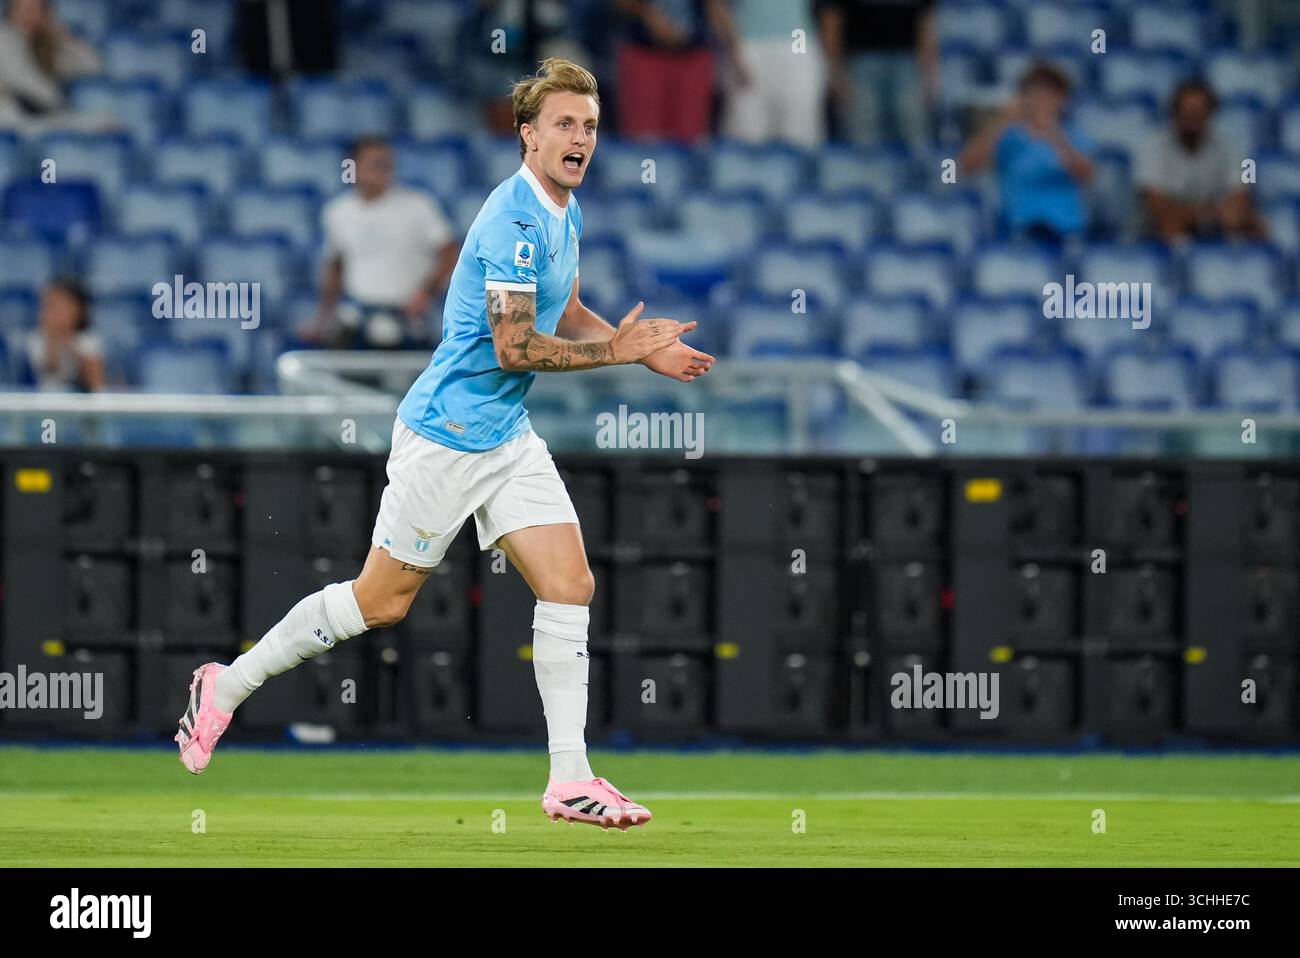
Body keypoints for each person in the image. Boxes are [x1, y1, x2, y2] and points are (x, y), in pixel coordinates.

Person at [174, 59, 716, 829]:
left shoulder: (565, 212)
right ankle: (226, 686)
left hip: (506, 437)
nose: (580, 138)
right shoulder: (511, 221)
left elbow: (564, 311)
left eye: (590, 126)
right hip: (446, 437)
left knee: (571, 585)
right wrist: (623, 353)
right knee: (380, 602)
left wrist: (634, 344)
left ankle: (570, 779)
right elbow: (515, 348)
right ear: (528, 136)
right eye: (564, 124)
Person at [309, 136, 459, 349]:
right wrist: (323, 319)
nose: (382, 170)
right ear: (352, 166)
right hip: (358, 320)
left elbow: (450, 254)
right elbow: (335, 267)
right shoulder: (337, 212)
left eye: (386, 164)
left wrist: (426, 293)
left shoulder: (418, 206)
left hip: (408, 319)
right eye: (374, 163)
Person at [959, 62, 1095, 247]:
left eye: (1049, 93)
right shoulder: (1009, 136)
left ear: (1062, 99)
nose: (1041, 100)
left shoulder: (1074, 134)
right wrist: (1002, 120)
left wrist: (1055, 137)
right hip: (1018, 230)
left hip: (1066, 232)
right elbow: (965, 166)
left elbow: (1087, 176)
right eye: (1034, 93)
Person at [1136, 77, 1267, 244]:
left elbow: (1242, 192)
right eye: (1186, 110)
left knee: (1254, 223)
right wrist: (1200, 214)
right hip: (1162, 225)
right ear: (1174, 113)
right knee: (1170, 222)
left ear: (1211, 113)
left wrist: (1229, 212)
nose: (1191, 116)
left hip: (1214, 219)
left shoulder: (1230, 146)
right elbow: (1154, 203)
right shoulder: (1151, 146)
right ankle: (1180, 267)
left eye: (1198, 111)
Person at [815, 0, 937, 150]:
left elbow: (925, 22)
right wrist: (835, 73)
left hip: (908, 64)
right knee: (864, 142)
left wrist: (929, 76)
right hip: (860, 64)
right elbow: (833, 19)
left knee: (915, 137)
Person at [717, 0, 828, 148]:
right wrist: (734, 51)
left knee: (800, 133)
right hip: (747, 44)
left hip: (797, 39)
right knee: (747, 134)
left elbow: (830, 10)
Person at [613, 0, 727, 143]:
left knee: (690, 139)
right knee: (644, 138)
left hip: (693, 57)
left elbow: (716, 7)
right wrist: (648, 15)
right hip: (645, 54)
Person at [0, 0, 102, 131]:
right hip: (12, 117)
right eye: (22, 10)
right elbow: (26, 85)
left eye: (35, 10)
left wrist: (61, 35)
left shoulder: (43, 44)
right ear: (10, 14)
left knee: (104, 122)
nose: (28, 15)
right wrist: (60, 108)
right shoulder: (3, 37)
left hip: (41, 117)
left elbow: (93, 67)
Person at [19, 278, 105, 392]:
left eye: (61, 306)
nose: (53, 312)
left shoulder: (88, 341)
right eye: (49, 305)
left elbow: (97, 387)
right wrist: (53, 342)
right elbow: (49, 373)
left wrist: (74, 350)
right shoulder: (35, 341)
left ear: (79, 311)